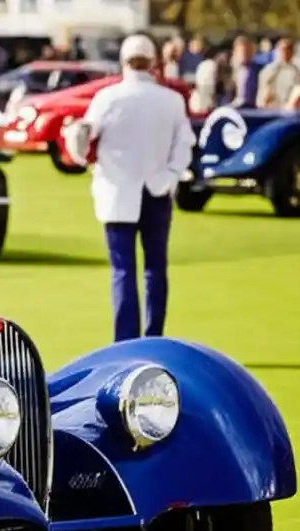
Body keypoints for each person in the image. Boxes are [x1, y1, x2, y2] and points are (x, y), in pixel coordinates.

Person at [75, 34, 194, 342]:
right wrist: (170, 175)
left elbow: (82, 140)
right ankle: (153, 337)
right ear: (153, 62)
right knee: (155, 268)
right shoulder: (171, 100)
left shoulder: (107, 98)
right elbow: (184, 145)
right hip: (157, 189)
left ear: (123, 61)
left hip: (117, 193)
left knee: (123, 270)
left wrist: (79, 154)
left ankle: (125, 340)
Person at [257, 37, 300, 109]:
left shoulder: (297, 71)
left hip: (288, 110)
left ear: (293, 52)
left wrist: (290, 104)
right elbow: (263, 91)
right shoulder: (269, 69)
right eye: (282, 50)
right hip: (270, 109)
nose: (285, 52)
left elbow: (298, 90)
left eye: (288, 49)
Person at [230, 35, 260, 108]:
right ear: (235, 52)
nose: (245, 54)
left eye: (248, 51)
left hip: (252, 107)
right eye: (242, 51)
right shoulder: (228, 69)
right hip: (233, 106)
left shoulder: (258, 70)